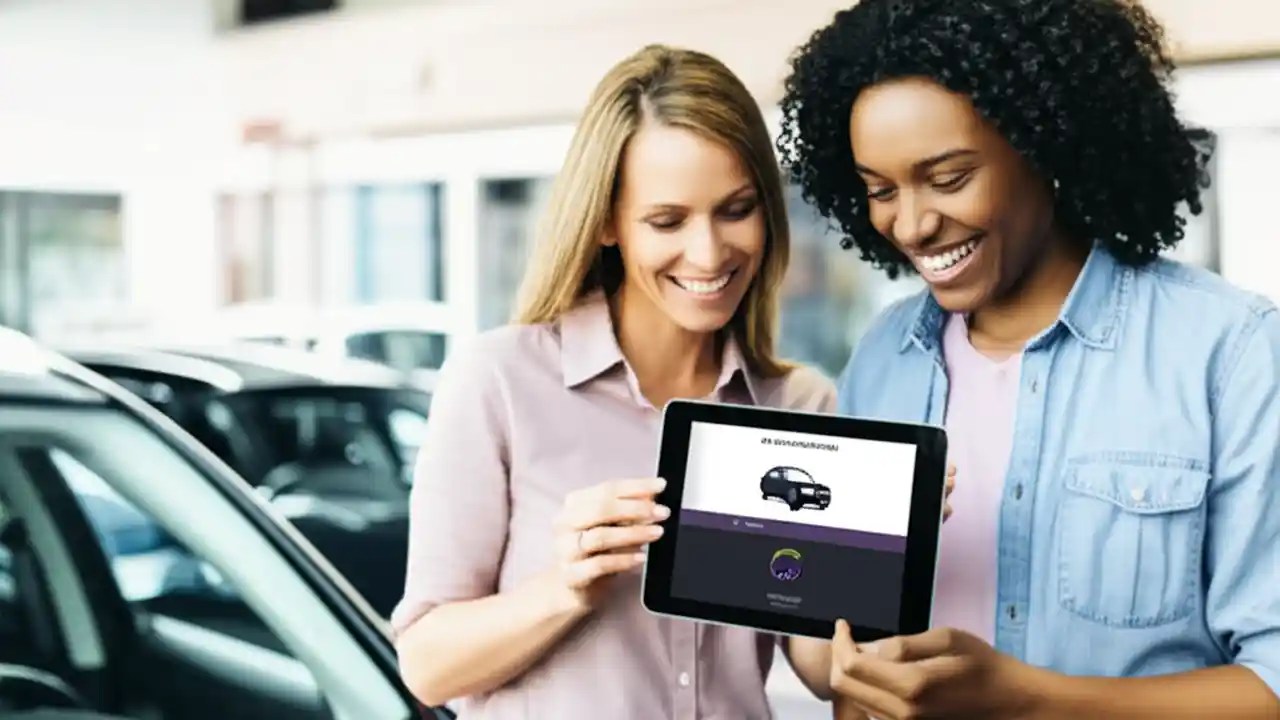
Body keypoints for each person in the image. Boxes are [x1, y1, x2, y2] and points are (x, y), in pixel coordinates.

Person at [776, 1, 1280, 718]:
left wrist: (1024, 701)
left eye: (948, 178)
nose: (912, 225)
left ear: (1048, 146)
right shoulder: (885, 359)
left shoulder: (1230, 353)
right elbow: (848, 658)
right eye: (880, 191)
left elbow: (1271, 683)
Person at [391, 43, 855, 719]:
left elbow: (823, 669)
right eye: (667, 221)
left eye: (736, 209)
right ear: (607, 221)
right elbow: (428, 665)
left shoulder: (799, 405)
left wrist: (876, 560)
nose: (709, 252)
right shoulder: (500, 381)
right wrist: (568, 589)